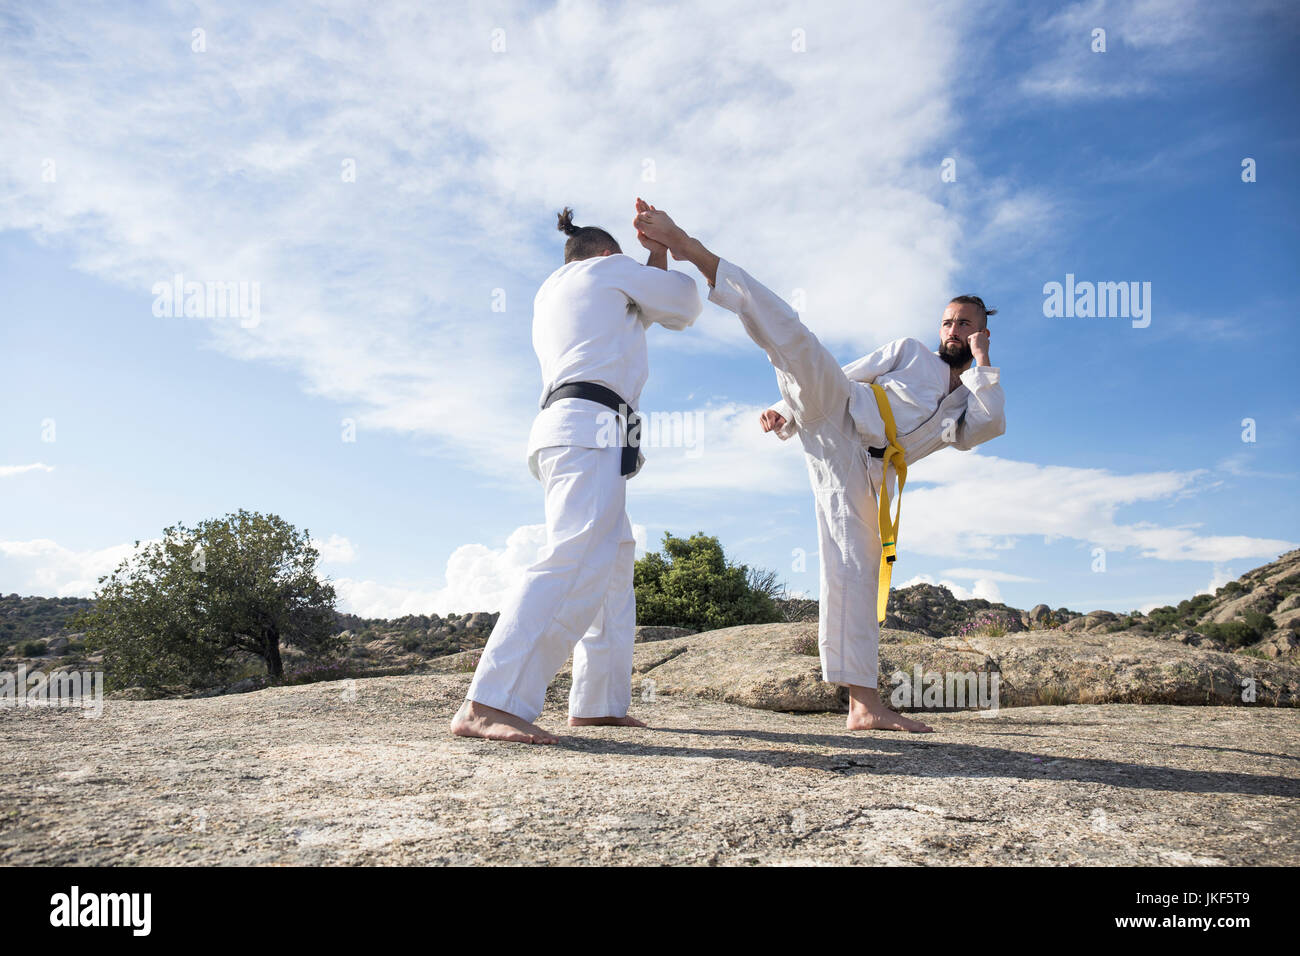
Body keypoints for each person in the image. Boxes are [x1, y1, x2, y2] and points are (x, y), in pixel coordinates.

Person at [633, 205, 1005, 733]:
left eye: (964, 324)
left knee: (855, 567)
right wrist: (785, 409)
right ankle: (690, 249)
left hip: (866, 472)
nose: (952, 329)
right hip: (841, 406)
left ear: (981, 333)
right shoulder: (909, 351)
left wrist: (983, 364)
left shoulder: (969, 399)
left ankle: (862, 704)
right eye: (947, 321)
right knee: (795, 338)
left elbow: (987, 429)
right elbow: (847, 371)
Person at [451, 203, 702, 744]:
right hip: (589, 426)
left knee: (611, 558)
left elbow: (652, 302)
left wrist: (652, 257)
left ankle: (598, 701)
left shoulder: (557, 290)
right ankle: (489, 700)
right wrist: (661, 248)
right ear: (610, 255)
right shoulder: (605, 271)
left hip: (578, 427)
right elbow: (683, 303)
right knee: (575, 554)